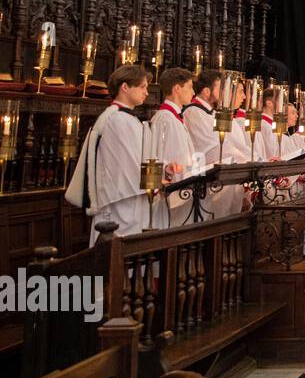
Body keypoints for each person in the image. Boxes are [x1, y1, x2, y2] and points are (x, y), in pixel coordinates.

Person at [65, 65, 165, 245]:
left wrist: (162, 173)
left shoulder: (127, 118)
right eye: (142, 86)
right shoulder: (116, 119)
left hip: (130, 199)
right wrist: (157, 183)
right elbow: (129, 165)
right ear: (125, 87)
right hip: (121, 203)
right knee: (118, 253)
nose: (146, 92)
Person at [184, 69, 243, 217]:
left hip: (222, 176)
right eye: (219, 88)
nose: (224, 93)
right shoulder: (193, 112)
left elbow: (230, 144)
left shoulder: (212, 113)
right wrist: (244, 159)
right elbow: (210, 148)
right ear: (206, 91)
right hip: (206, 180)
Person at [152, 67, 200, 225]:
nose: (193, 93)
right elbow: (160, 156)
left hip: (183, 191)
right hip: (172, 194)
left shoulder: (174, 117)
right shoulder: (165, 118)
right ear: (177, 89)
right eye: (190, 87)